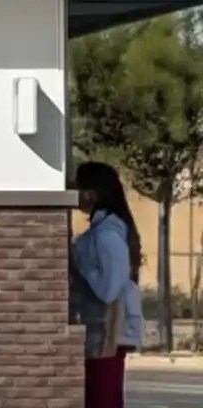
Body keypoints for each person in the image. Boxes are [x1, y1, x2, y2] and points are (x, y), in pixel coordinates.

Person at [71, 161, 144, 408]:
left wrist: (81, 262)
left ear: (93, 193)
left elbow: (109, 289)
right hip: (99, 332)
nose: (74, 194)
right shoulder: (102, 230)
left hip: (107, 334)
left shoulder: (108, 235)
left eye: (77, 188)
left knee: (103, 399)